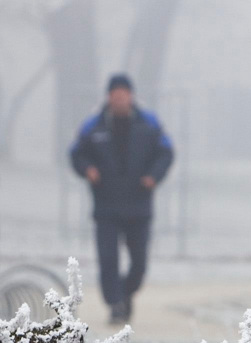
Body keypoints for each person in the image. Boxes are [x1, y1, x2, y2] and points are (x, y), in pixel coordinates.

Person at [68, 73, 175, 324]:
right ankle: (115, 304)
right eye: (114, 96)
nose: (119, 100)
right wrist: (88, 170)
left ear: (131, 96)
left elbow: (166, 153)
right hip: (106, 206)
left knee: (139, 263)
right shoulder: (92, 126)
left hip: (139, 206)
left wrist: (153, 177)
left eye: (123, 95)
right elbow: (76, 154)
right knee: (108, 260)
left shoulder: (149, 124)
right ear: (108, 97)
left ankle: (126, 293)